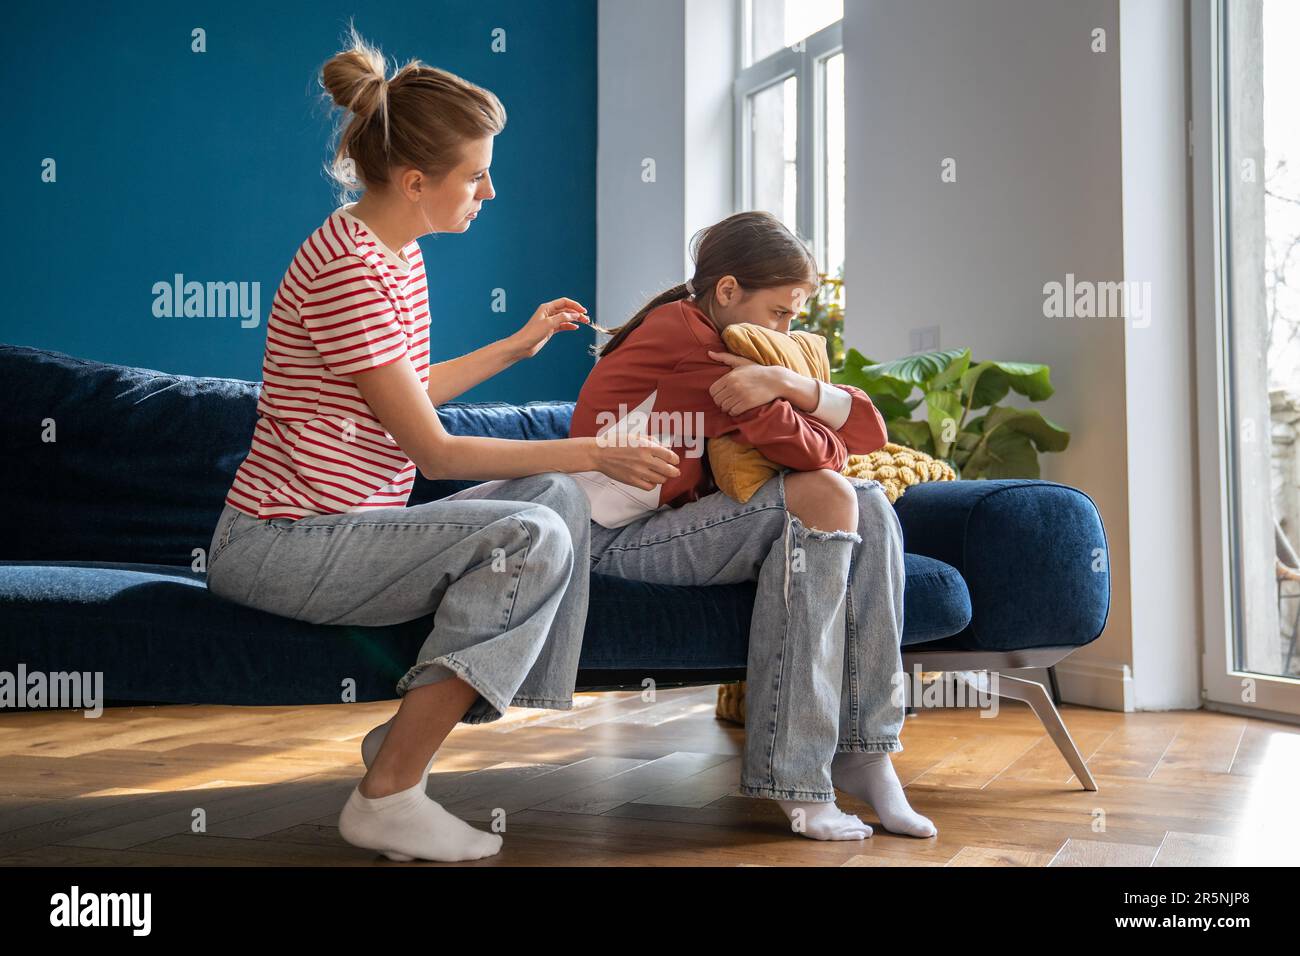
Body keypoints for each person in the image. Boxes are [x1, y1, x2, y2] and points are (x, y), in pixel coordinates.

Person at [205, 28, 679, 863]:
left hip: (345, 530)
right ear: (417, 181)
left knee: (556, 503)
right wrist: (595, 451)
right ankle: (388, 791)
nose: (490, 191)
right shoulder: (347, 268)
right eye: (476, 173)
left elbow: (403, 395)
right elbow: (434, 455)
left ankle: (415, 732)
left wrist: (513, 347)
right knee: (533, 529)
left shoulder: (396, 252)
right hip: (282, 543)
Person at [569, 211, 937, 840]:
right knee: (829, 492)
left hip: (667, 526)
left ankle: (866, 751)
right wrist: (793, 391)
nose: (787, 330)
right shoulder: (691, 342)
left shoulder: (731, 338)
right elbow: (820, 451)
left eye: (795, 318)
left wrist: (784, 379)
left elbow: (870, 435)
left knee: (867, 502)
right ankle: (798, 779)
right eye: (781, 314)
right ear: (729, 290)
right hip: (605, 544)